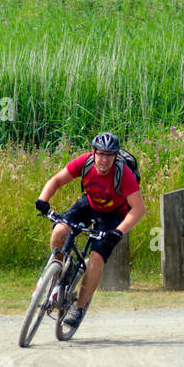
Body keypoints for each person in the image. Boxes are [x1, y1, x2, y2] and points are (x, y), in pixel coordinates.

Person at [34, 133, 145, 330]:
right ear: (93, 153)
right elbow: (57, 180)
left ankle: (79, 307)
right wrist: (43, 200)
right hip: (89, 204)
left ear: (116, 156)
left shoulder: (124, 174)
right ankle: (56, 276)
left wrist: (118, 232)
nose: (104, 160)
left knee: (95, 258)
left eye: (109, 155)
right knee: (59, 232)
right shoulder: (84, 163)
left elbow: (137, 209)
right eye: (101, 154)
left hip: (114, 215)